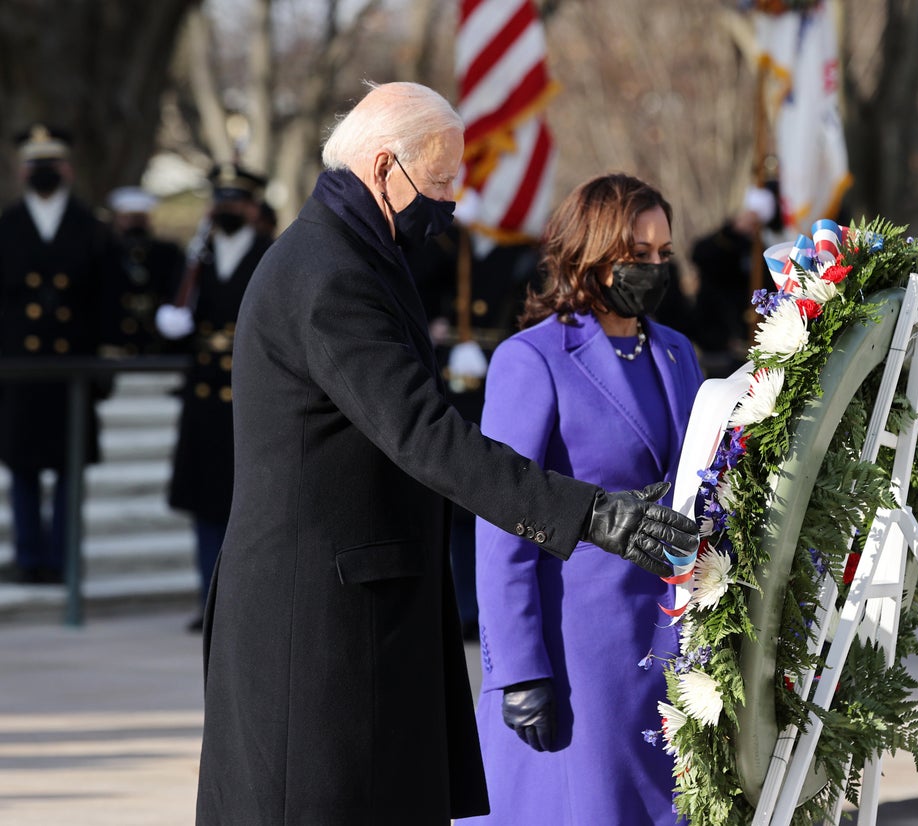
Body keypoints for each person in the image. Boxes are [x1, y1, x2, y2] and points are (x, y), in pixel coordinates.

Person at [194, 82, 698, 825]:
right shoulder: (328, 274)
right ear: (383, 167)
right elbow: (424, 433)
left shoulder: (359, 254)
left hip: (362, 603)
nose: (451, 201)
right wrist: (589, 513)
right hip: (317, 625)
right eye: (437, 183)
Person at [467, 174, 704, 826]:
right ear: (591, 251)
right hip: (579, 654)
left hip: (669, 645)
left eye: (663, 254)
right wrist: (517, 670)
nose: (653, 268)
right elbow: (501, 525)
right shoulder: (532, 360)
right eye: (637, 252)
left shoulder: (679, 354)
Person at [155, 163, 272, 631]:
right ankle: (210, 597)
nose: (226, 209)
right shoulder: (197, 258)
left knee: (248, 502)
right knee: (205, 501)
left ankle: (247, 601)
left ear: (251, 207)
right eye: (219, 201)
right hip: (204, 397)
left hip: (250, 394)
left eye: (235, 202)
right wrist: (173, 328)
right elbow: (177, 322)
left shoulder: (268, 252)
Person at [0, 125, 115, 584]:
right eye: (35, 165)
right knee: (21, 467)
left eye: (51, 164)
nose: (44, 172)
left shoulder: (91, 228)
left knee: (70, 470)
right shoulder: (6, 227)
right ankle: (30, 558)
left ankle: (65, 557)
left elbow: (107, 299)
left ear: (67, 169)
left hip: (74, 367)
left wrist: (104, 365)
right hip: (20, 369)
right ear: (21, 171)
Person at [688, 184, 780, 375]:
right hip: (718, 343)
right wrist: (734, 230)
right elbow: (700, 255)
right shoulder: (725, 241)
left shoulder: (762, 250)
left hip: (750, 344)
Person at [103, 186, 185, 356]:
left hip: (154, 346)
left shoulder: (168, 254)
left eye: (139, 218)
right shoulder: (104, 252)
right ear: (118, 219)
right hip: (115, 345)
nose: (134, 224)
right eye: (129, 218)